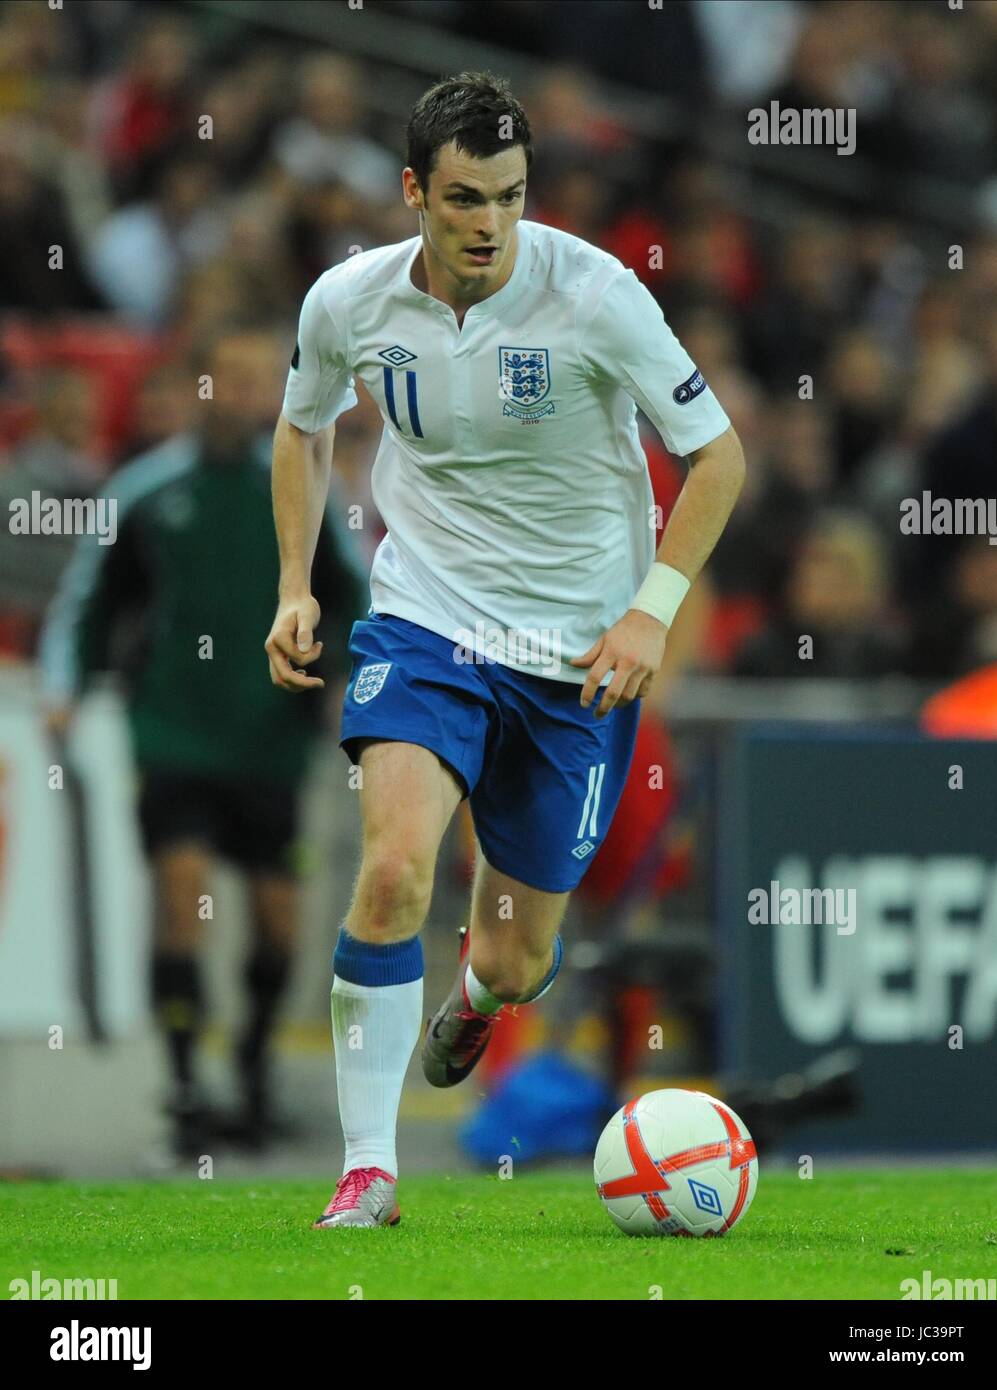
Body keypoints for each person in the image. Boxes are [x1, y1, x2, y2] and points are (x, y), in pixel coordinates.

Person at [264, 72, 745, 1228]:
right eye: (468, 197)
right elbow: (300, 425)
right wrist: (293, 584)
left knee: (524, 956)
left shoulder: (599, 295)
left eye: (513, 197)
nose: (490, 223)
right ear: (414, 190)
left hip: (578, 657)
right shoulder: (350, 302)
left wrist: (652, 611)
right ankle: (369, 1169)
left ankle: (478, 988)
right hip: (427, 621)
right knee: (389, 870)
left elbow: (717, 457)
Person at [40, 326, 369, 1160]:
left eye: (269, 379)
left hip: (269, 737)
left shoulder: (301, 488)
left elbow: (356, 594)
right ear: (204, 386)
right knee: (181, 897)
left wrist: (348, 683)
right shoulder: (150, 489)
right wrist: (64, 688)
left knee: (279, 921)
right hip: (173, 730)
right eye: (240, 378)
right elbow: (91, 598)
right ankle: (187, 1082)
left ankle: (254, 1070)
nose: (255, 394)